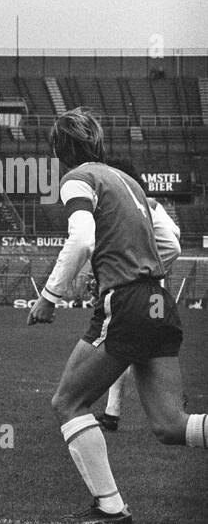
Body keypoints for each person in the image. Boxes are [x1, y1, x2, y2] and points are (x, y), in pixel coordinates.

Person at [27, 109, 204, 524]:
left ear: (59, 151)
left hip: (125, 303)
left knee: (68, 403)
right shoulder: (132, 185)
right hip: (159, 300)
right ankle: (109, 507)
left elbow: (83, 238)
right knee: (170, 425)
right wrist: (141, 269)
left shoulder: (78, 179)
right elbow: (172, 244)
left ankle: (110, 507)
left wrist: (50, 297)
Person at [93, 161, 182, 431]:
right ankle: (113, 413)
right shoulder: (151, 204)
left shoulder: (139, 204)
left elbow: (173, 243)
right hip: (153, 292)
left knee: (131, 346)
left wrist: (140, 268)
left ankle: (172, 404)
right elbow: (174, 234)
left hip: (136, 291)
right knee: (136, 347)